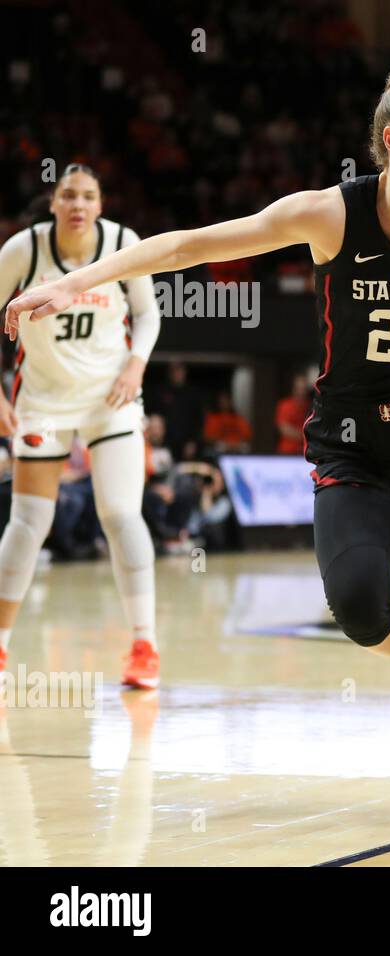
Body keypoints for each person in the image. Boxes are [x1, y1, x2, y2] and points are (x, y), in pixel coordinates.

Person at [6, 72, 390, 816]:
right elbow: (193, 245)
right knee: (360, 604)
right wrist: (78, 284)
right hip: (356, 448)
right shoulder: (331, 215)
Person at [0, 164, 161, 684]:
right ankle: (0, 649)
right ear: (53, 203)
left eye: (88, 195)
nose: (77, 204)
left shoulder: (121, 242)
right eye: (67, 194)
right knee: (28, 523)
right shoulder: (23, 250)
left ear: (100, 203)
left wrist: (136, 364)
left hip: (109, 397)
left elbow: (148, 314)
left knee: (120, 513)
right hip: (44, 400)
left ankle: (145, 648)